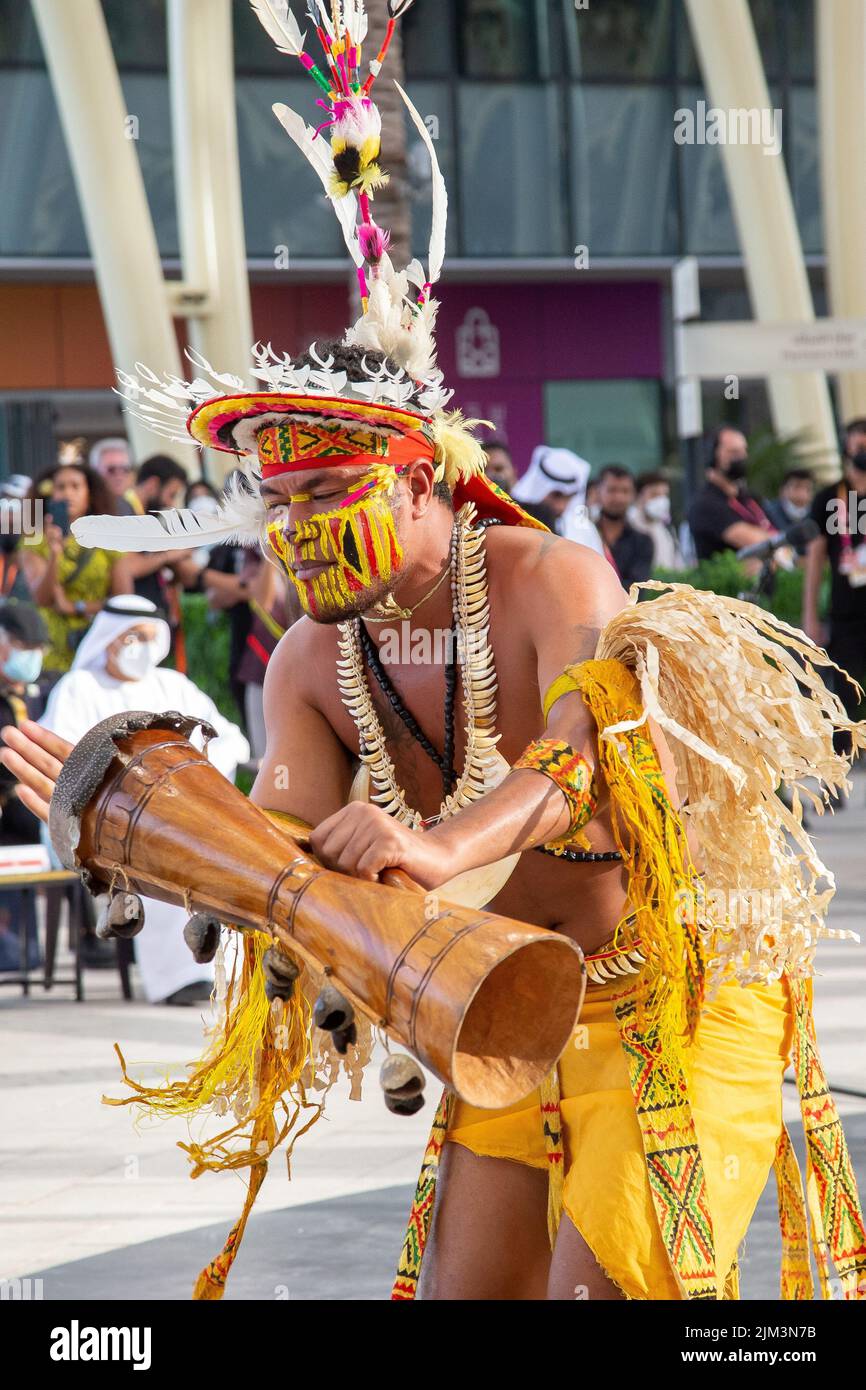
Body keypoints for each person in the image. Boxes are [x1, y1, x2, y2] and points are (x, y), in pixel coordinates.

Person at [7, 0, 864, 1305]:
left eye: (323, 496)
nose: (294, 535)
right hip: (494, 1002)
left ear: (422, 477)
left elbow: (585, 747)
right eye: (277, 509)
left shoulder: (548, 576)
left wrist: (441, 846)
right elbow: (290, 865)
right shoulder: (307, 661)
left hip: (678, 982)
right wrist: (151, 816)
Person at [40, 595, 249, 1004]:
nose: (143, 646)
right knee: (168, 853)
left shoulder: (171, 685)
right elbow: (63, 760)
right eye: (134, 636)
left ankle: (230, 973)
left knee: (223, 848)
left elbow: (228, 739)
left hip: (183, 808)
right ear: (110, 640)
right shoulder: (80, 688)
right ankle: (178, 978)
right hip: (102, 819)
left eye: (151, 637)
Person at [17, 463, 133, 682]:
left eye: (75, 486)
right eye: (60, 487)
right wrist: (54, 554)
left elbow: (124, 600)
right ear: (50, 495)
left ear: (89, 494)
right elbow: (42, 598)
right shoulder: (35, 540)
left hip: (98, 644)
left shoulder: (110, 539)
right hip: (52, 651)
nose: (68, 493)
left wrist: (76, 607)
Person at [803, 419, 866, 745]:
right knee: (843, 691)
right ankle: (839, 769)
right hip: (845, 613)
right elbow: (814, 559)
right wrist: (810, 615)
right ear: (846, 449)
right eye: (859, 448)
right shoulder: (829, 497)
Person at [687, 425, 778, 562]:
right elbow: (756, 542)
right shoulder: (705, 504)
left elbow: (781, 538)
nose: (742, 457)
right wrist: (777, 540)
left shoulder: (751, 498)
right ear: (713, 456)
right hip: (724, 582)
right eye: (734, 452)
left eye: (744, 451)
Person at [512, 446, 604, 555]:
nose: (561, 507)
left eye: (569, 497)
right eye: (556, 495)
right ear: (539, 489)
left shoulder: (585, 530)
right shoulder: (513, 525)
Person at [595, 465, 654, 589]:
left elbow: (636, 589)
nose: (619, 497)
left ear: (633, 495)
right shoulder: (585, 534)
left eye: (625, 491)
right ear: (598, 492)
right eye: (612, 490)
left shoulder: (643, 542)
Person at [631, 472, 684, 571]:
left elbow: (677, 566)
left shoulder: (667, 529)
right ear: (638, 495)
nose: (661, 501)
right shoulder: (629, 526)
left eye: (664, 495)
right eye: (654, 495)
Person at [89, 437, 135, 513]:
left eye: (125, 469)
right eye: (111, 470)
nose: (119, 476)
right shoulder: (86, 508)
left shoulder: (127, 506)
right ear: (95, 472)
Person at [767, 467, 815, 532]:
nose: (802, 494)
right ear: (783, 491)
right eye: (797, 487)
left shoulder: (815, 514)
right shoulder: (768, 513)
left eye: (807, 489)